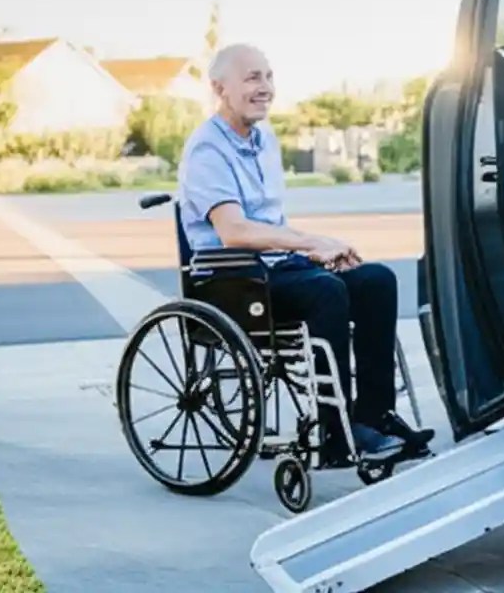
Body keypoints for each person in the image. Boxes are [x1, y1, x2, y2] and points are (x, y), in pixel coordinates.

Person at [177, 42, 433, 465]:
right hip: (233, 279)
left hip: (277, 267)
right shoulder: (207, 150)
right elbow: (234, 231)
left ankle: (375, 417)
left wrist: (319, 247)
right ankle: (336, 434)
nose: (266, 88)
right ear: (220, 88)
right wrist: (310, 243)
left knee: (376, 280)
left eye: (269, 76)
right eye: (253, 78)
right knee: (326, 292)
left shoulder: (264, 139)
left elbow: (272, 226)